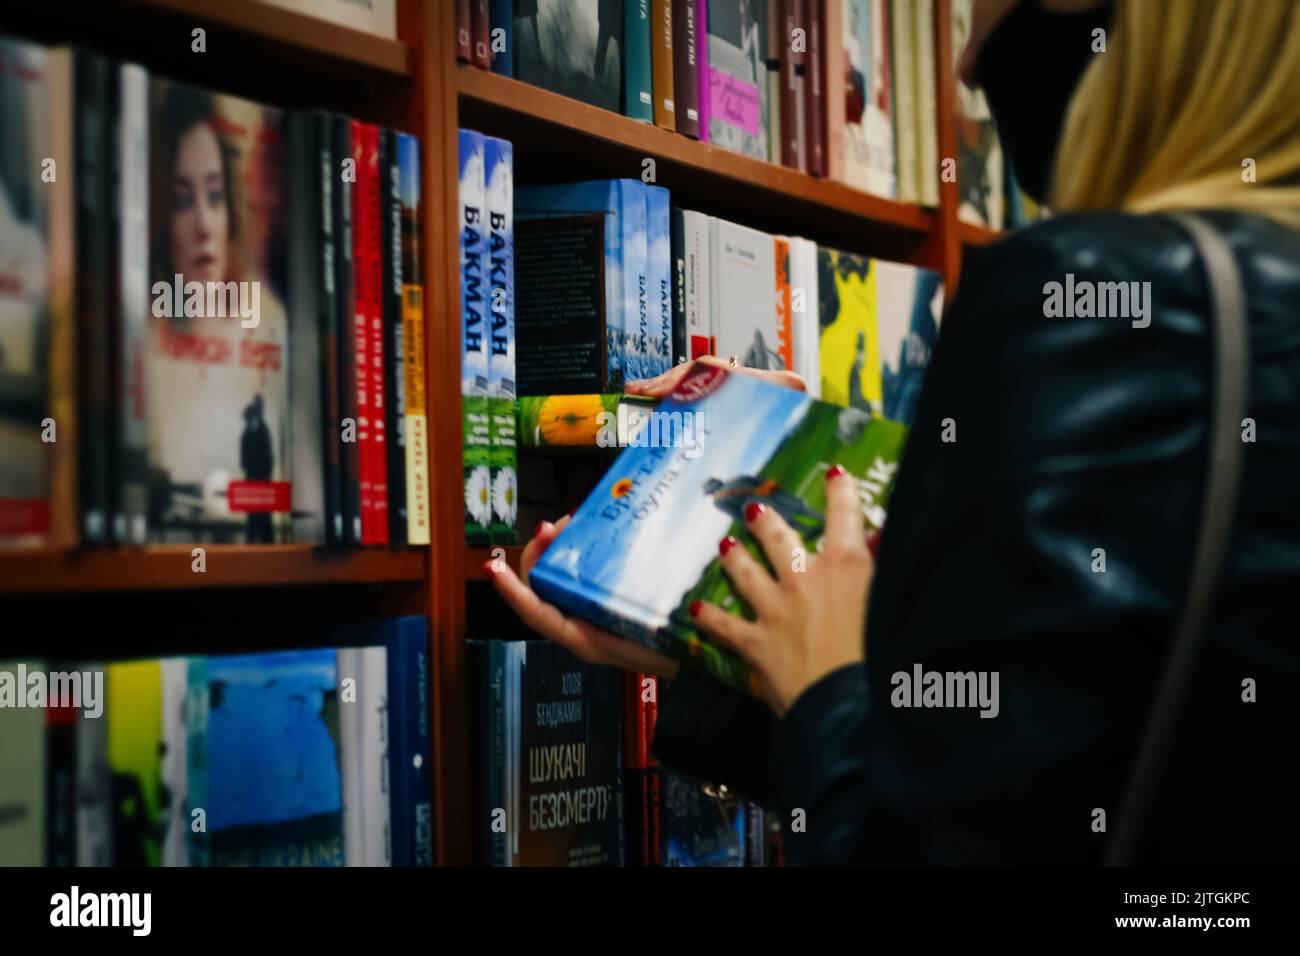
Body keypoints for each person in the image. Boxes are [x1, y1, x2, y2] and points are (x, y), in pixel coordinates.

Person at [489, 0, 1300, 864]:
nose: (965, 73)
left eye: (974, 20)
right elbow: (1077, 761)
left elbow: (938, 839)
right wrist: (728, 660)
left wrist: (827, 689)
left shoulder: (1084, 295)